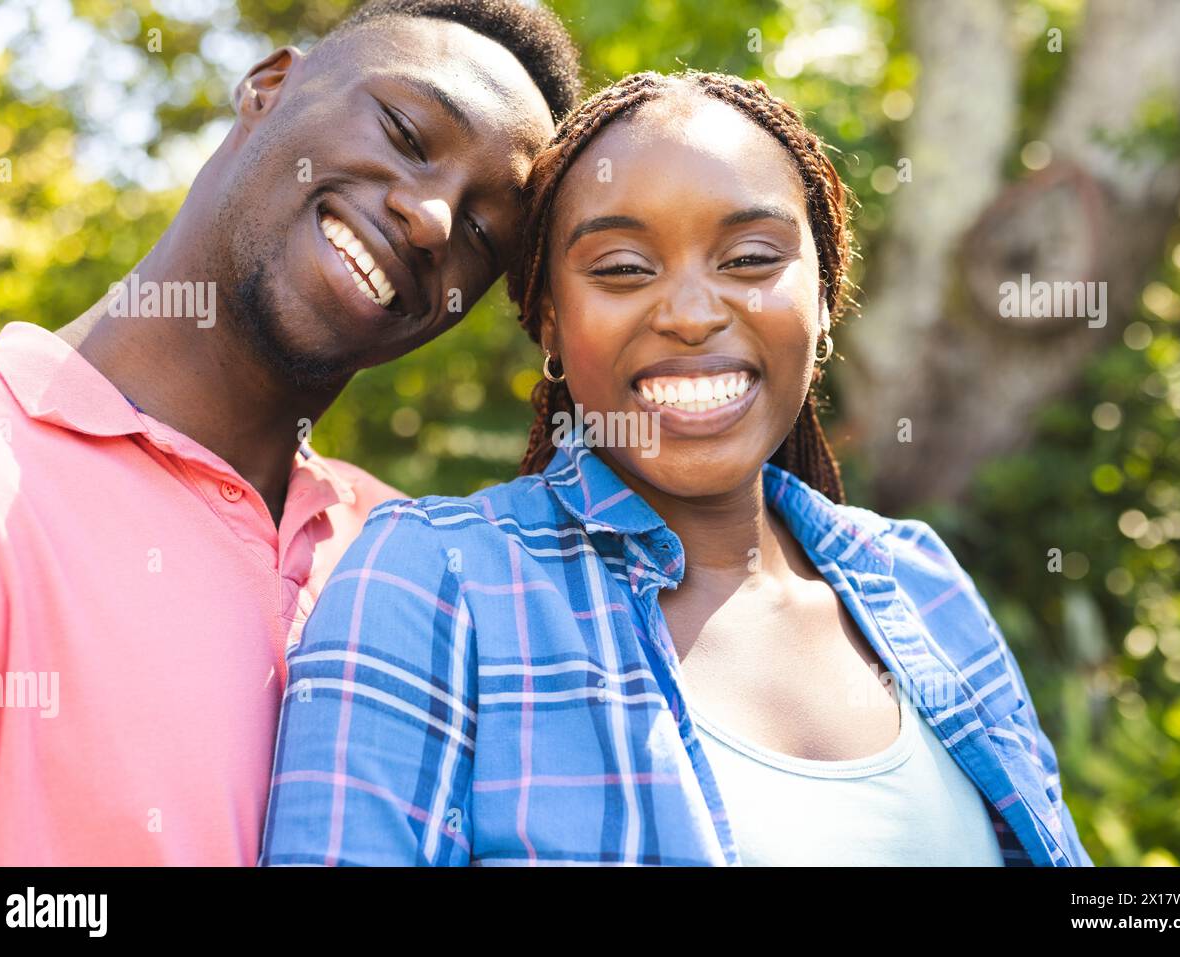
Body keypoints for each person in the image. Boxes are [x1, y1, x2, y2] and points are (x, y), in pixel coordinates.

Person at [259, 70, 1093, 866]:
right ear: (550, 322)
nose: (692, 314)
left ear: (824, 296)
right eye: (623, 268)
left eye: (752, 259)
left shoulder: (923, 582)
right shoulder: (434, 579)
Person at [0, 0, 580, 865]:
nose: (434, 219)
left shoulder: (417, 563)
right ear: (268, 87)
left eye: (481, 232)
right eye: (405, 130)